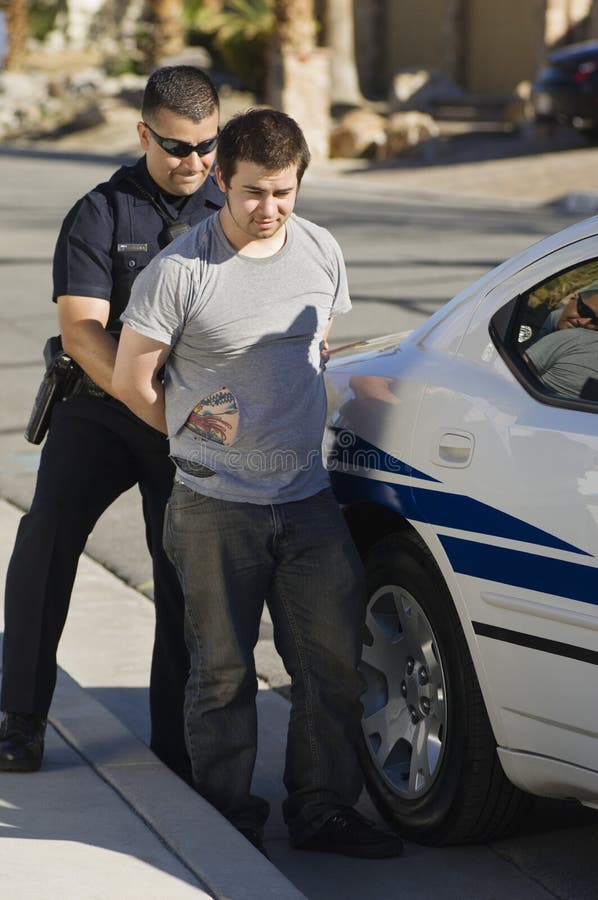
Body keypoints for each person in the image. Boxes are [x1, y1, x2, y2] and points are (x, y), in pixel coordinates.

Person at [112, 107, 403, 859]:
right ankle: (228, 819)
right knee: (221, 675)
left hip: (307, 500)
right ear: (220, 180)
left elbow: (320, 348)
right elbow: (132, 377)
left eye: (283, 191)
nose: (268, 209)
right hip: (214, 507)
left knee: (334, 665)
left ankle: (323, 810)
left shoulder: (320, 250)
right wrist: (195, 436)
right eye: (252, 193)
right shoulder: (179, 271)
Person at [0, 65, 223, 782]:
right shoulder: (101, 211)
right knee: (45, 539)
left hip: (189, 420)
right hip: (103, 411)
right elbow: (83, 335)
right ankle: (19, 721)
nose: (194, 162)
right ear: (143, 134)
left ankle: (176, 745)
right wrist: (155, 412)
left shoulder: (233, 206)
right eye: (177, 147)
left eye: (207, 146)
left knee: (182, 574)